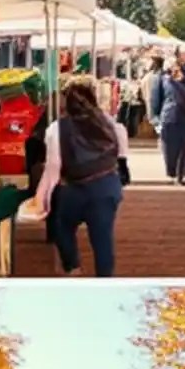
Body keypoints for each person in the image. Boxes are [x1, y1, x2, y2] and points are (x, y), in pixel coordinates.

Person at [37, 77, 129, 277]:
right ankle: (105, 280)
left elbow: (54, 167)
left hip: (75, 188)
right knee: (102, 238)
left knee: (62, 226)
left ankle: (73, 267)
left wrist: (43, 197)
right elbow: (122, 156)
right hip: (106, 186)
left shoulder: (57, 128)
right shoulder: (110, 123)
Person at [151, 57, 185, 184]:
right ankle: (172, 172)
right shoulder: (161, 79)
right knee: (170, 148)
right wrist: (156, 119)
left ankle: (181, 174)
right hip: (168, 118)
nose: (173, 69)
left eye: (176, 66)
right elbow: (155, 99)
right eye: (171, 67)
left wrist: (183, 78)